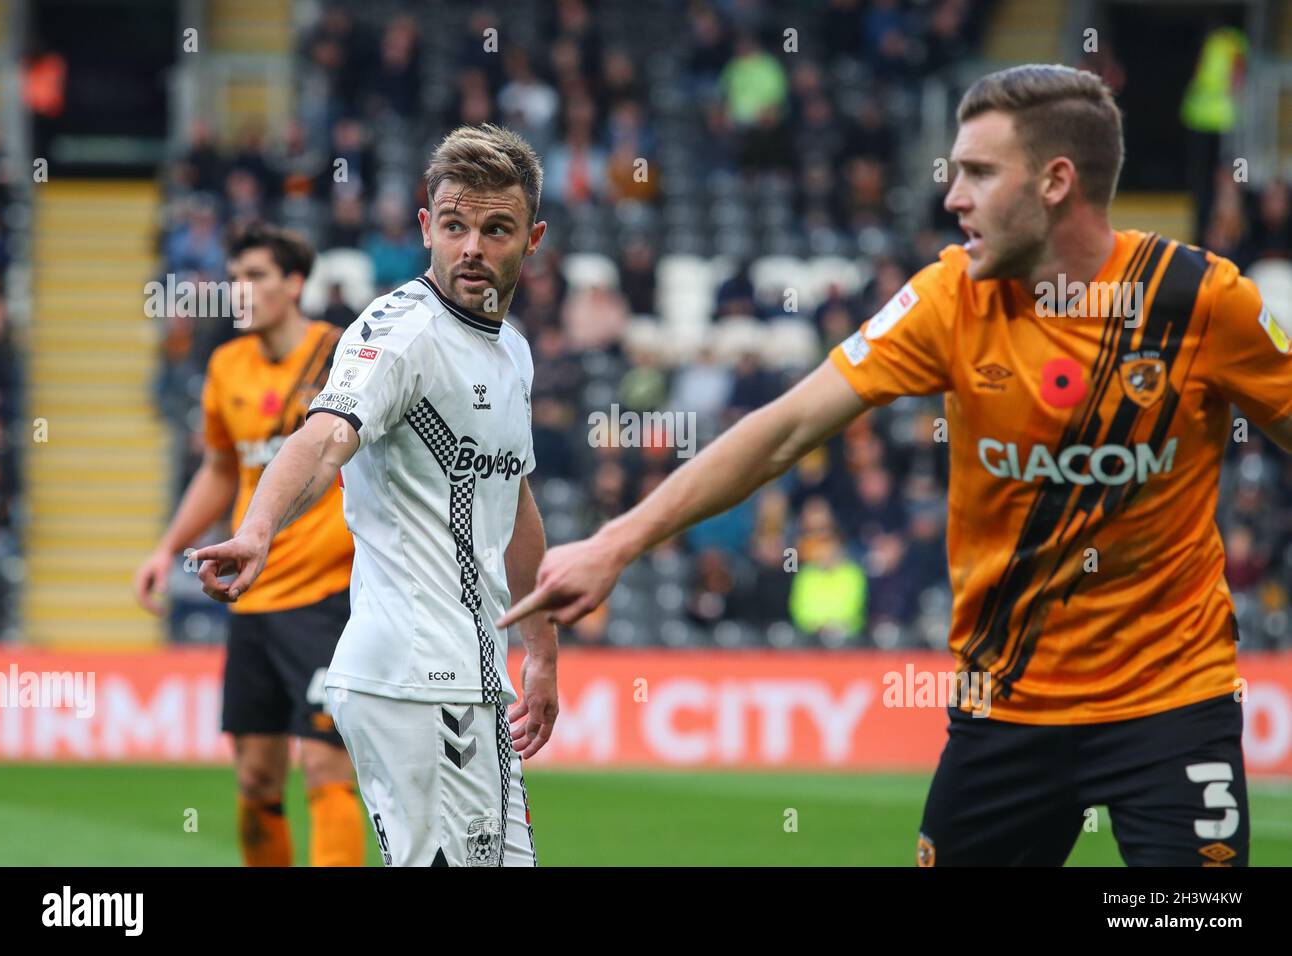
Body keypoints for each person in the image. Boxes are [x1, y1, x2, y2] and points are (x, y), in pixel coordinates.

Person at [500, 65, 1292, 867]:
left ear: (1057, 181)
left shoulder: (1200, 301)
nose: (953, 198)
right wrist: (616, 542)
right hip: (1004, 705)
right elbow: (785, 427)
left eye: (980, 173)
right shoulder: (951, 299)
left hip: (1173, 703)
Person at [194, 124, 558, 868]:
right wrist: (260, 527)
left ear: (534, 238)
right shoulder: (399, 333)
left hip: (470, 673)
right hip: (418, 676)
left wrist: (541, 653)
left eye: (497, 229)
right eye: (454, 226)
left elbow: (514, 504)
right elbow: (325, 435)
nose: (472, 249)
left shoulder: (511, 349)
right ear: (426, 227)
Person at [134, 224, 363, 867]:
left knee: (325, 765)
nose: (242, 290)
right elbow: (220, 468)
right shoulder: (226, 365)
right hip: (252, 598)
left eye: (257, 276)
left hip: (329, 597)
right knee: (257, 778)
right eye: (236, 277)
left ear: (294, 284)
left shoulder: (342, 356)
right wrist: (165, 548)